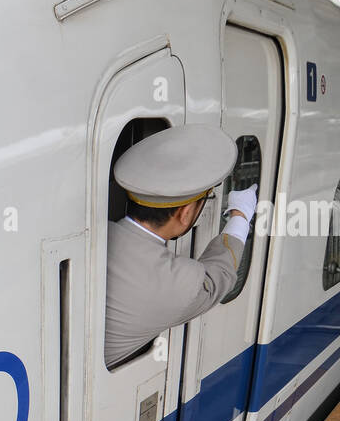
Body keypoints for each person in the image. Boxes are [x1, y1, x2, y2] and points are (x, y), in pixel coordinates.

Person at [104, 124, 259, 367]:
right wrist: (240, 214)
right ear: (185, 213)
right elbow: (220, 274)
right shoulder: (179, 284)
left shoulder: (102, 235)